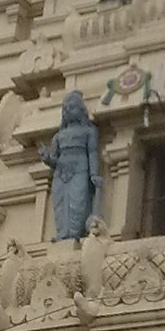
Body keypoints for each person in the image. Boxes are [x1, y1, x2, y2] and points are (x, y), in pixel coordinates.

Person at [40, 90, 101, 241]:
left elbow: (92, 152)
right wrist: (47, 159)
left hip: (80, 169)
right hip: (61, 172)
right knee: (60, 202)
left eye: (72, 107)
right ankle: (62, 233)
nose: (67, 111)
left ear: (81, 110)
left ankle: (75, 233)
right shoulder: (58, 136)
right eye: (65, 108)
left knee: (78, 201)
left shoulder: (89, 131)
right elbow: (54, 159)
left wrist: (94, 173)